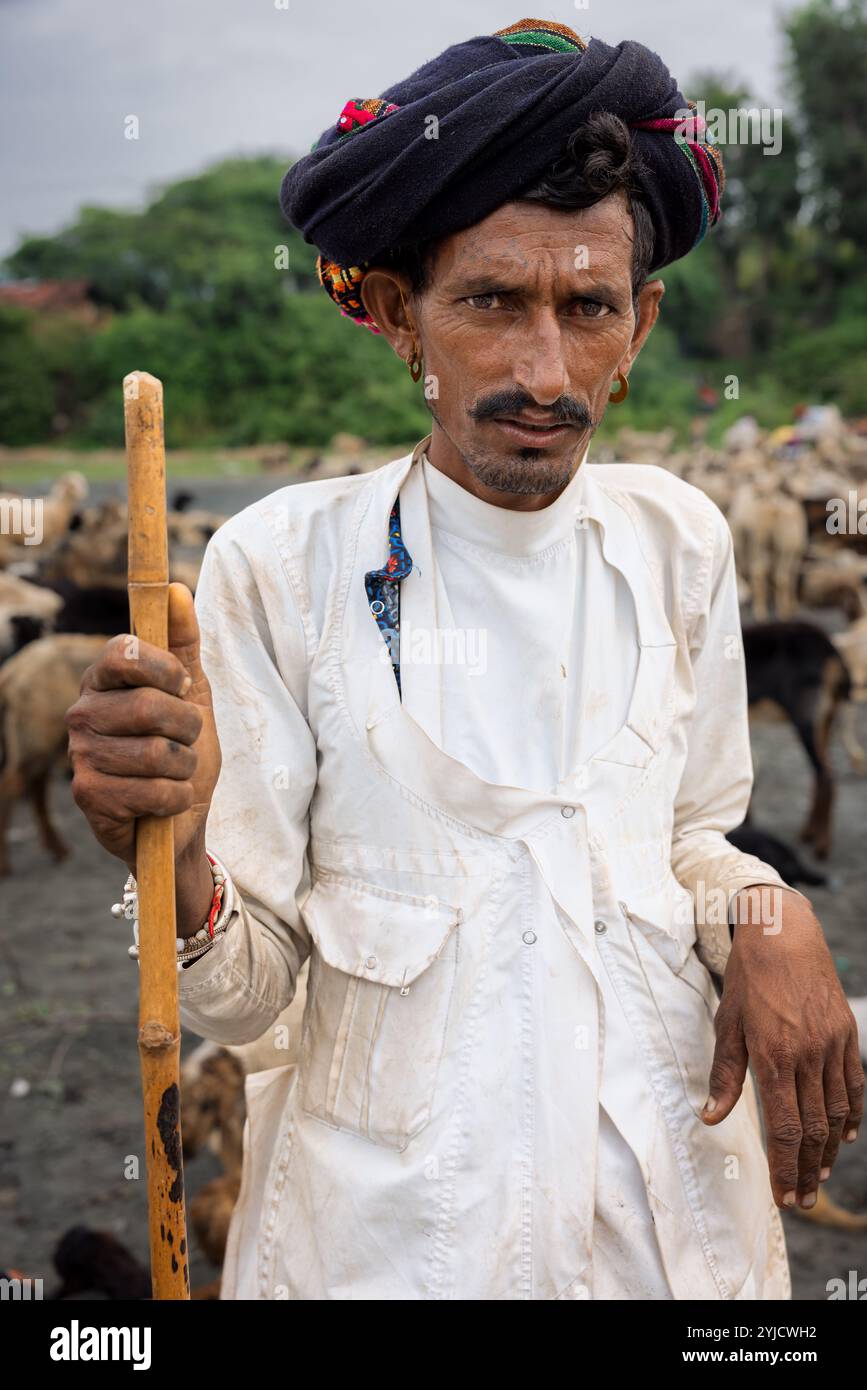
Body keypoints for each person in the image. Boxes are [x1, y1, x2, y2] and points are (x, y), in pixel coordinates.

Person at [66, 18, 862, 1300]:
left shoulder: (683, 541)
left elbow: (689, 837)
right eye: (493, 301)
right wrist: (179, 850)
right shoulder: (282, 566)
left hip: (677, 1257)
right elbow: (247, 1002)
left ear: (640, 322)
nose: (545, 372)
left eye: (587, 307)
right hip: (381, 1257)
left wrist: (771, 910)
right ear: (398, 315)